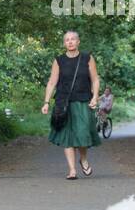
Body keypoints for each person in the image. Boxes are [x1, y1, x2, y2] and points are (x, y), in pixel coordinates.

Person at [42, 30, 101, 179]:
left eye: (73, 39)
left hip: (82, 102)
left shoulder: (87, 58)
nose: (70, 42)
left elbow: (95, 80)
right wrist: (46, 102)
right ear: (64, 43)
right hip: (63, 104)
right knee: (67, 136)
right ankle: (72, 170)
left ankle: (83, 159)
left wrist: (95, 97)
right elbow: (52, 82)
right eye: (67, 40)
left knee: (82, 133)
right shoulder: (59, 60)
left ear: (78, 42)